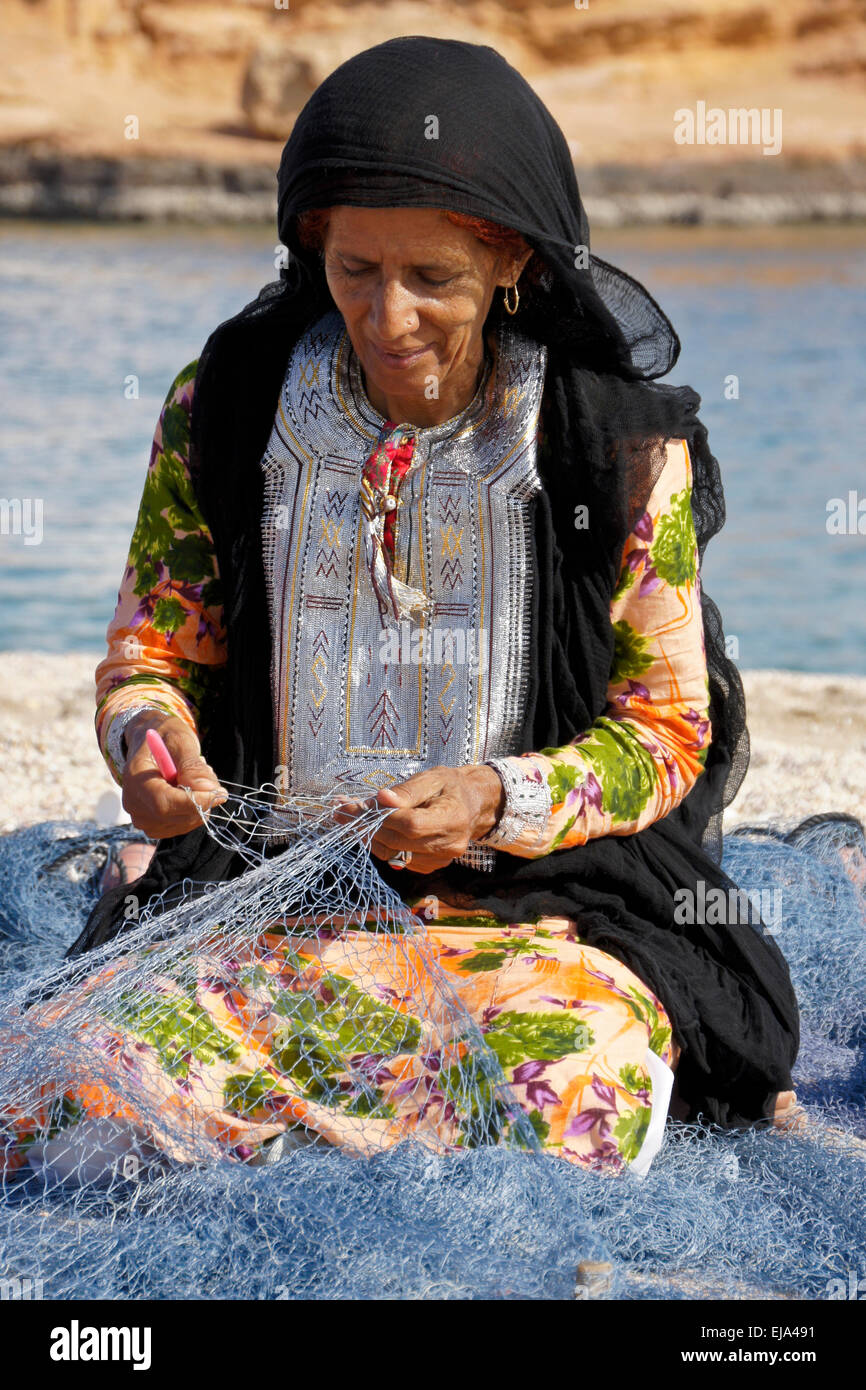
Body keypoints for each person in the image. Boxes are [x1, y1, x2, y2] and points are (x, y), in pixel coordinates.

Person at [34, 37, 801, 1176]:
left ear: (508, 263)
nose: (386, 317)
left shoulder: (617, 449)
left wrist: (497, 797)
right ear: (311, 244)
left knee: (561, 1105)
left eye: (430, 278)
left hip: (542, 917)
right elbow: (151, 653)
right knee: (73, 1095)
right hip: (270, 907)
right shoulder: (229, 407)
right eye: (354, 270)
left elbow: (667, 731)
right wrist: (149, 743)